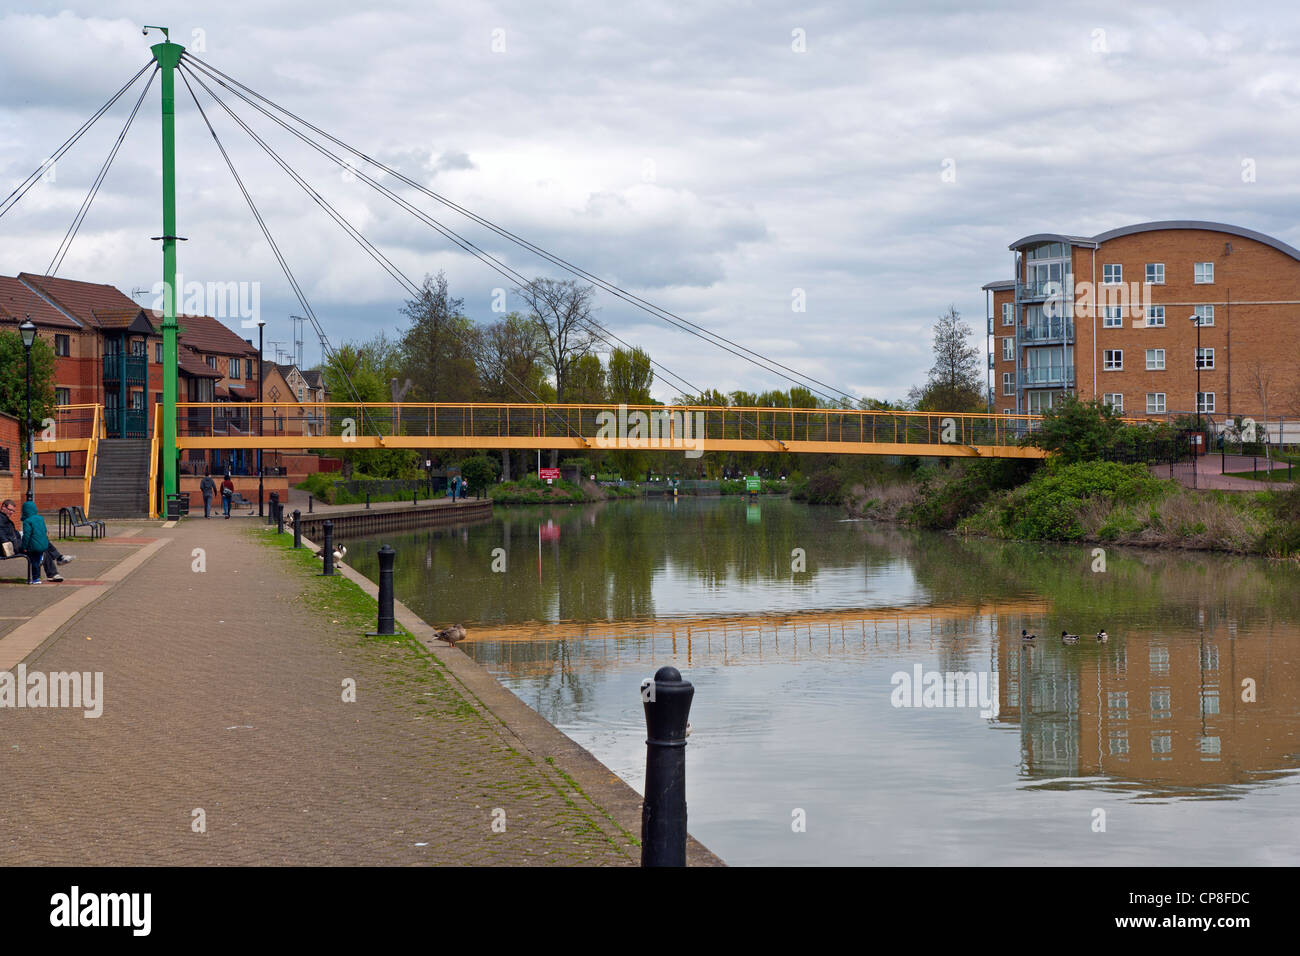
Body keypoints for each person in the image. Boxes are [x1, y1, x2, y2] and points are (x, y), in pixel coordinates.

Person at [1, 499, 71, 580]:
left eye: (13, 511)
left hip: (15, 542)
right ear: (3, 507)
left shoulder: (5, 519)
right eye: (10, 510)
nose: (11, 513)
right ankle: (55, 568)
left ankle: (54, 570)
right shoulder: (1, 519)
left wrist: (19, 534)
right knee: (39, 544)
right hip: (10, 546)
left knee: (40, 543)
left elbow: (12, 533)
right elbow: (2, 535)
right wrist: (8, 544)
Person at [20, 501, 52, 585]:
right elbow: (45, 530)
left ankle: (36, 579)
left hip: (33, 546)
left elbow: (27, 535)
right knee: (37, 560)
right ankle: (40, 561)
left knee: (33, 562)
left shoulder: (27, 521)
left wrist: (24, 547)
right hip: (43, 544)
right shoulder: (40, 518)